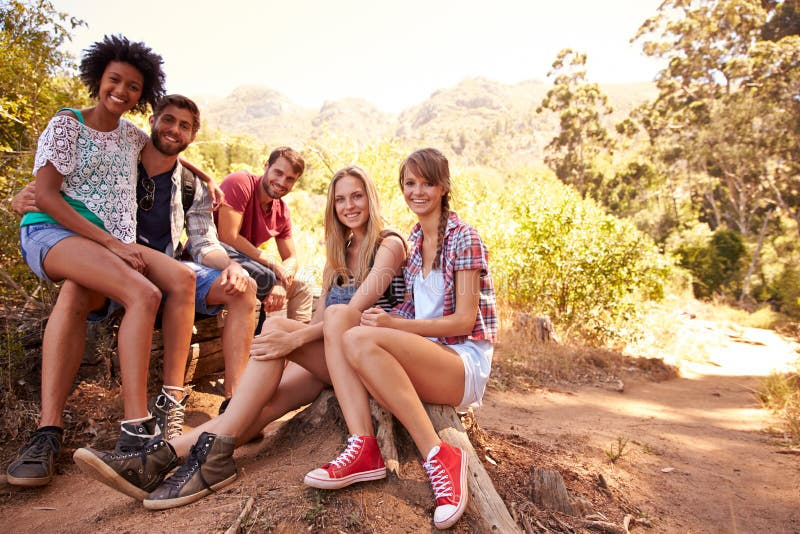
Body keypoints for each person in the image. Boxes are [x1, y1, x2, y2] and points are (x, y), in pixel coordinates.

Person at [71, 166, 408, 509]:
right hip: (333, 360)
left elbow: (352, 312)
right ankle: (165, 458)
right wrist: (295, 340)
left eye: (356, 196)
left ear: (371, 198)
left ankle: (161, 458)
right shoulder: (338, 255)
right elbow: (323, 321)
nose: (349, 205)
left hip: (370, 359)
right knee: (264, 404)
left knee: (277, 328)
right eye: (340, 199)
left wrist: (292, 341)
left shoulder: (389, 244)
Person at [6, 36, 209, 488]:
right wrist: (113, 245)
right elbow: (45, 194)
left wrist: (202, 175)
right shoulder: (67, 124)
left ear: (143, 95)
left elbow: (169, 151)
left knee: (178, 278)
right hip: (55, 232)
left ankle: (164, 405)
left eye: (133, 86)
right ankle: (131, 433)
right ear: (98, 79)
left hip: (101, 247)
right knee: (143, 291)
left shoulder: (132, 136)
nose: (122, 91)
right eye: (115, 80)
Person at [9, 94, 257, 453]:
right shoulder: (121, 155)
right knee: (76, 288)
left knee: (242, 290)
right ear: (152, 121)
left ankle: (234, 405)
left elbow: (204, 243)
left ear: (193, 135)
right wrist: (27, 197)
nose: (174, 130)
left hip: (169, 266)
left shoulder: (192, 186)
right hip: (109, 259)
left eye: (184, 126)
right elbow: (63, 187)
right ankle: (48, 430)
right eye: (167, 120)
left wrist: (233, 265)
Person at [304, 148, 497, 530]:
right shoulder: (413, 242)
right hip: (426, 353)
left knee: (359, 338)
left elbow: (462, 319)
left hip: (462, 361)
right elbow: (411, 311)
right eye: (410, 183)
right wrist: (387, 322)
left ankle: (440, 455)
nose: (417, 191)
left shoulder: (464, 238)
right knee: (346, 322)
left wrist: (394, 326)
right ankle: (363, 447)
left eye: (427, 183)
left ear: (443, 187)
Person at [215, 147, 314, 337]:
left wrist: (281, 283)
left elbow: (291, 257)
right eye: (278, 172)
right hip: (216, 256)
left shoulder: (282, 211)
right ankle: (262, 350)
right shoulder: (241, 182)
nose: (282, 182)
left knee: (302, 284)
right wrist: (274, 264)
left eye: (290, 179)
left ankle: (297, 349)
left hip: (249, 264)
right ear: (266, 166)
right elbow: (227, 236)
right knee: (266, 278)